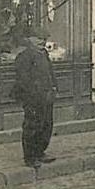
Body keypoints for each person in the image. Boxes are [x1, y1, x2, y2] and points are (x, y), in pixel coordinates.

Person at [12, 27, 57, 168]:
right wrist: (32, 95)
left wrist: (54, 87)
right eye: (38, 38)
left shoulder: (43, 54)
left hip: (46, 96)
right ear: (29, 39)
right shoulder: (24, 56)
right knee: (33, 126)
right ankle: (30, 157)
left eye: (44, 39)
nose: (42, 42)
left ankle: (40, 152)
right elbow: (23, 80)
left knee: (46, 124)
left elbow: (50, 73)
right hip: (32, 98)